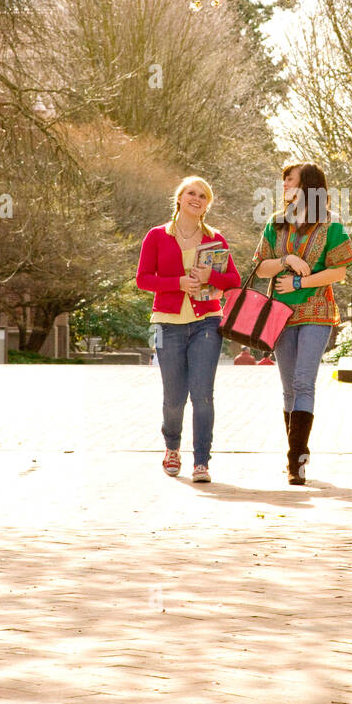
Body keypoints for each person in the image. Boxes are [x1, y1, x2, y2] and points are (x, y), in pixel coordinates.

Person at [254, 162, 352, 484]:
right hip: (279, 316)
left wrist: (299, 284)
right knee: (287, 389)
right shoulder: (276, 223)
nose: (284, 184)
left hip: (316, 313)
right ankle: (294, 456)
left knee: (302, 383)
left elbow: (338, 272)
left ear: (309, 186)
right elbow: (260, 269)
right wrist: (286, 261)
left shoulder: (332, 224)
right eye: (283, 178)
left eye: (291, 179)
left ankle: (296, 459)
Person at [136, 176, 240, 483]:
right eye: (191, 193)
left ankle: (201, 462)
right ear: (179, 198)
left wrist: (211, 276)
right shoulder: (156, 236)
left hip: (207, 322)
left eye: (203, 196)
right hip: (167, 323)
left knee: (203, 395)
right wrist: (177, 283)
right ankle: (171, 447)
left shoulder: (215, 239)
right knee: (174, 396)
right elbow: (143, 279)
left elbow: (234, 280)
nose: (196, 198)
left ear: (207, 204)